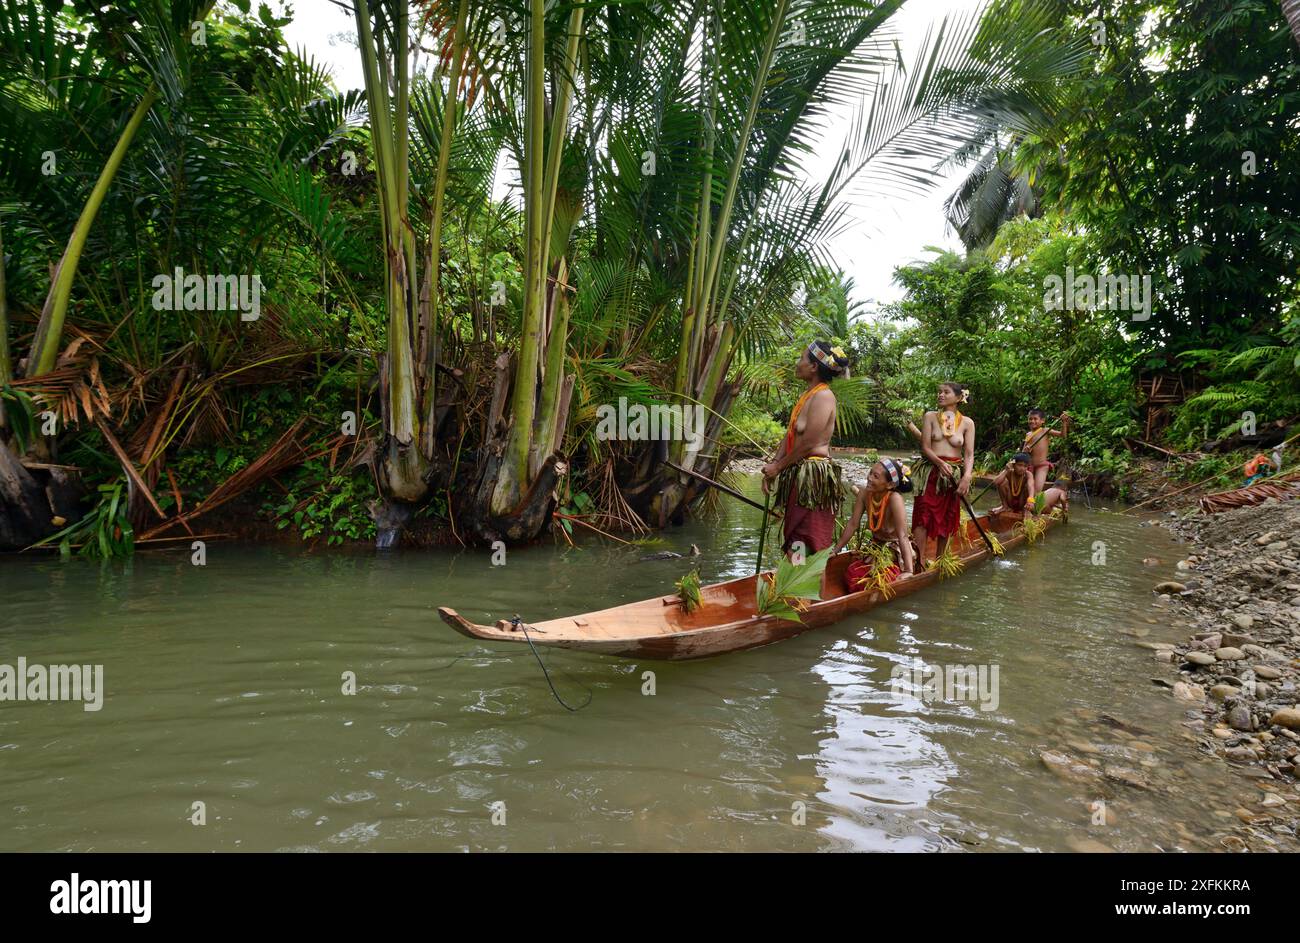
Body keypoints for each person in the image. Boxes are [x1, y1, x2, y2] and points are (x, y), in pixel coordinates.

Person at [761, 342, 850, 557]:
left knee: (809, 540)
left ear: (813, 367)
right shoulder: (808, 395)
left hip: (813, 478)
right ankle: (797, 582)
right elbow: (791, 435)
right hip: (799, 473)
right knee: (796, 539)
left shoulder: (824, 396)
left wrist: (779, 467)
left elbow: (810, 442)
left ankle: (807, 585)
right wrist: (774, 466)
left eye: (802, 359)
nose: (797, 363)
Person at [910, 381, 975, 570]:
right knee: (923, 514)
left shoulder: (967, 423)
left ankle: (940, 562)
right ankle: (919, 563)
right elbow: (926, 448)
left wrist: (967, 477)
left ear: (958, 397)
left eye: (946, 392)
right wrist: (939, 463)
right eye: (939, 392)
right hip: (931, 471)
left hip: (953, 475)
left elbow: (969, 454)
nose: (940, 395)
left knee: (948, 516)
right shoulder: (930, 417)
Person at [834, 458, 916, 589]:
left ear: (889, 485)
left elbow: (903, 536)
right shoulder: (864, 493)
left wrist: (908, 571)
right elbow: (853, 524)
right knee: (852, 575)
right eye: (870, 473)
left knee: (883, 579)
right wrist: (835, 550)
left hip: (894, 551)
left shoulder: (895, 499)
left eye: (876, 476)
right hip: (875, 547)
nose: (869, 478)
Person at [1023, 408, 1071, 494]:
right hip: (1029, 466)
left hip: (1042, 466)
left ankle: (1035, 504)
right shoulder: (1028, 434)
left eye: (1035, 419)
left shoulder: (1045, 431)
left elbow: (1062, 435)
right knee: (1027, 489)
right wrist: (1026, 450)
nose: (1032, 421)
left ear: (1042, 421)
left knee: (1037, 490)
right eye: (1030, 419)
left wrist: (1063, 422)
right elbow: (1023, 453)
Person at [989, 452, 1036, 517]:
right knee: (1002, 482)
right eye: (1019, 465)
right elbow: (995, 482)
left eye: (1025, 466)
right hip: (1010, 500)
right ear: (1013, 465)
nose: (1022, 468)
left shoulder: (1028, 474)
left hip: (1022, 502)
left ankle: (1026, 510)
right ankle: (1005, 506)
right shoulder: (1008, 472)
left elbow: (1030, 486)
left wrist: (1031, 499)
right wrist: (1006, 470)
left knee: (1027, 486)